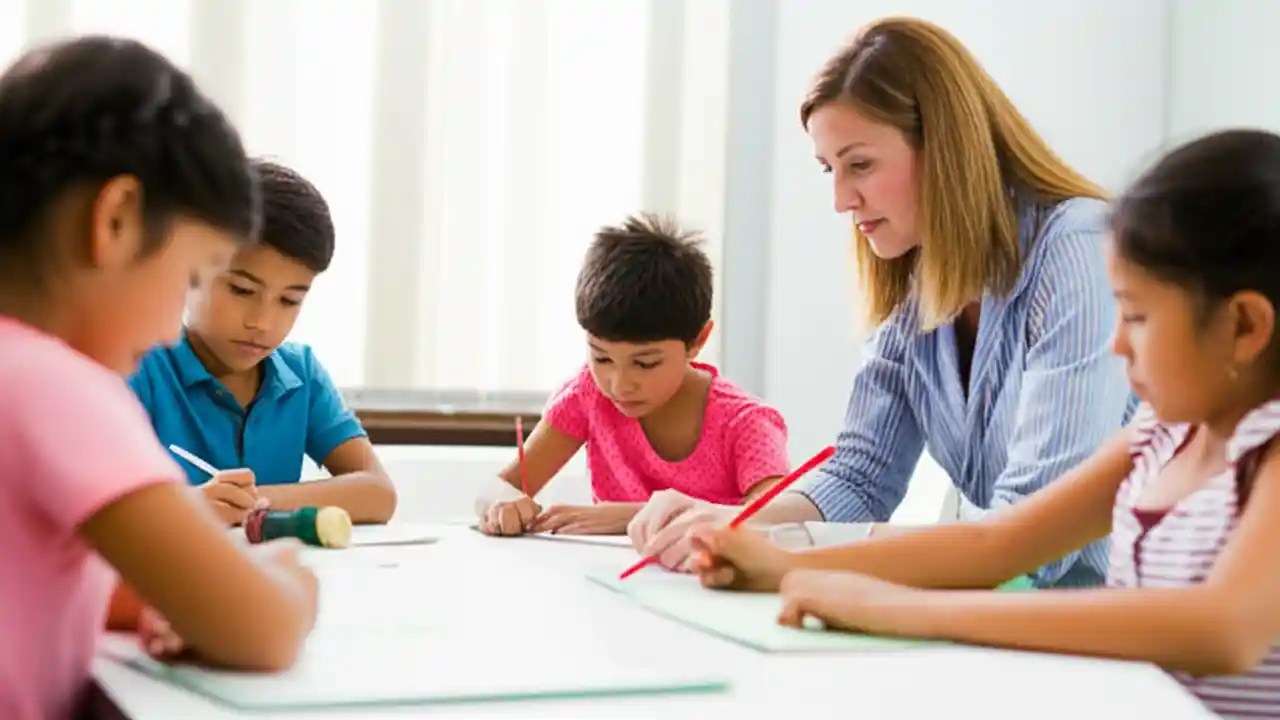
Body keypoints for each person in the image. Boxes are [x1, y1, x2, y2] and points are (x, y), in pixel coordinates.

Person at [691, 128, 1280, 719]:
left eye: (1138, 316)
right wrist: (788, 566)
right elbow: (995, 544)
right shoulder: (1159, 438)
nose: (1117, 343)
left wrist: (907, 610)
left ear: (1245, 326)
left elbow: (1222, 627)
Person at [629, 16, 1135, 587]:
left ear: (945, 148)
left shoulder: (1079, 251)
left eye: (860, 165)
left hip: (1124, 636)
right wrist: (732, 525)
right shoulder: (916, 291)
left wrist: (790, 560)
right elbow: (860, 476)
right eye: (830, 170)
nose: (841, 200)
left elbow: (1031, 536)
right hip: (1008, 619)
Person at [0, 36, 316, 720]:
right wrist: (287, 581)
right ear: (115, 220)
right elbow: (261, 630)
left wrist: (171, 596)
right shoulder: (58, 386)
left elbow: (39, 580)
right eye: (193, 276)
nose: (174, 327)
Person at [475, 214, 791, 536]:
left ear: (697, 341)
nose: (619, 384)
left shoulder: (746, 423)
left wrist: (632, 516)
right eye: (601, 357)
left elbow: (779, 517)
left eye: (645, 363)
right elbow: (498, 487)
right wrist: (503, 502)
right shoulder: (587, 394)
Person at [130, 159, 396, 525]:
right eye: (241, 290)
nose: (263, 322)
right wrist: (189, 506)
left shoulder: (299, 373)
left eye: (290, 300)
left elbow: (379, 494)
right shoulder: (139, 367)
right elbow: (87, 508)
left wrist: (250, 500)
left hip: (274, 574)